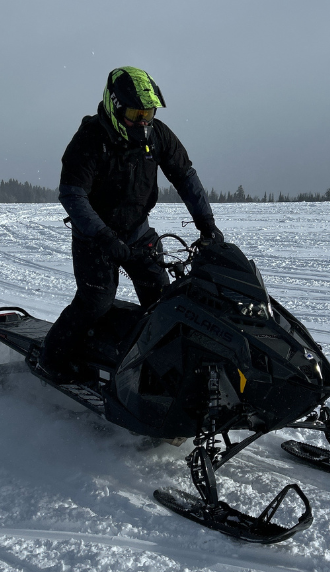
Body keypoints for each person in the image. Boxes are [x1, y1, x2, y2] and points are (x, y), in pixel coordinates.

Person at [40, 66, 224, 382]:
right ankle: (50, 359)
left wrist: (206, 224)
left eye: (148, 112)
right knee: (95, 303)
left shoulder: (159, 135)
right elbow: (73, 193)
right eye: (136, 112)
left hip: (139, 233)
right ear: (114, 106)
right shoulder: (90, 138)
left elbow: (185, 176)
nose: (143, 120)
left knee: (164, 304)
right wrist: (103, 235)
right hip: (95, 237)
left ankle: (160, 375)